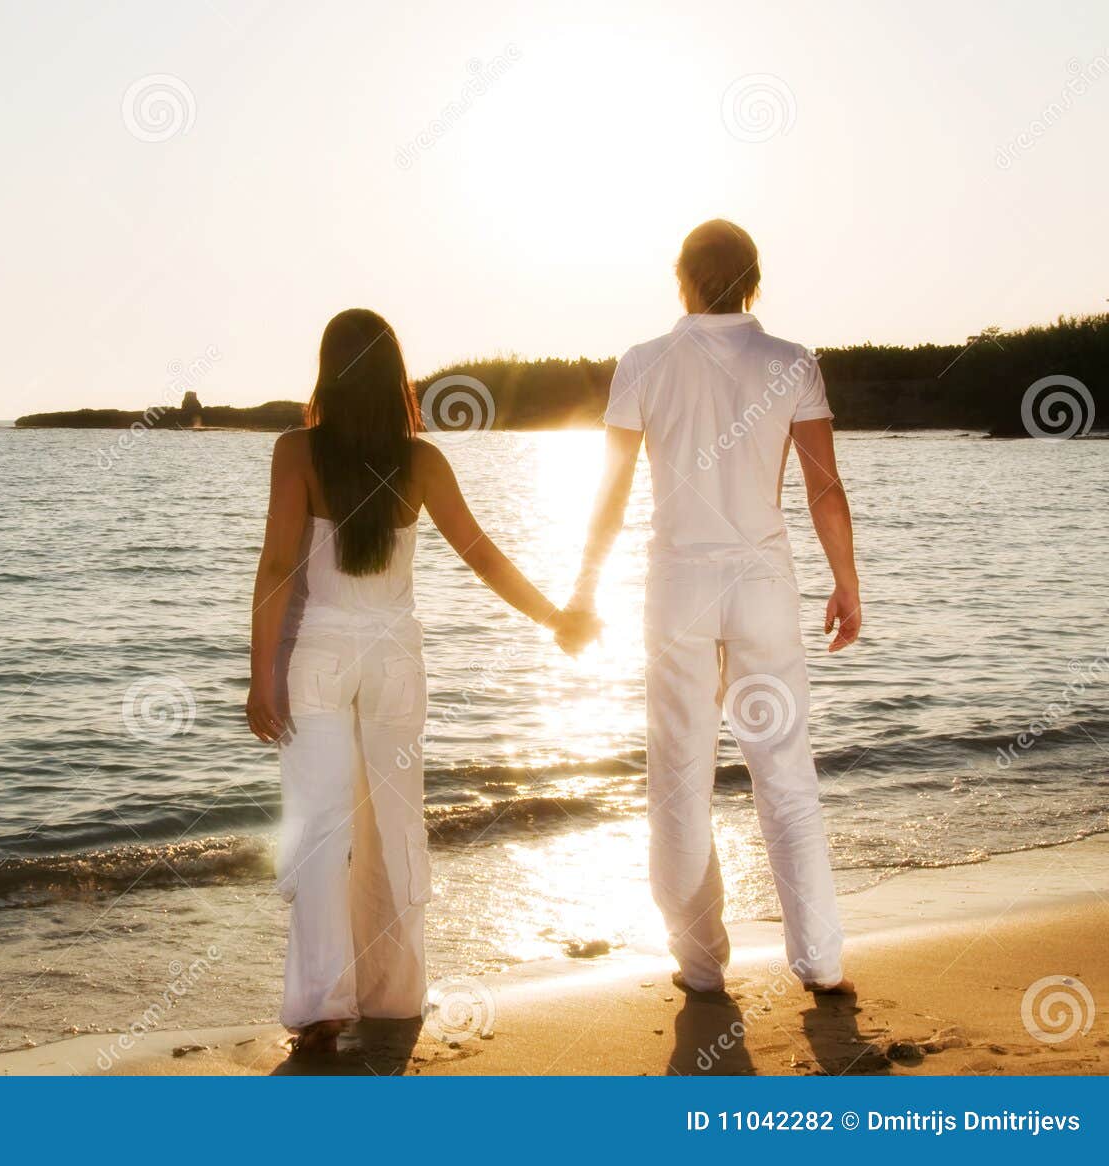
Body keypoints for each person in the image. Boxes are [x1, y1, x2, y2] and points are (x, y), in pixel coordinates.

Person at [246, 308, 584, 1052]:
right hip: (397, 658)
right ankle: (395, 995)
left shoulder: (295, 451)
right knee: (393, 827)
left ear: (327, 373)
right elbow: (484, 557)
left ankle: (322, 1006)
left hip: (324, 655)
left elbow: (276, 568)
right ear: (396, 375)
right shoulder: (423, 460)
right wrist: (555, 618)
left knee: (320, 829)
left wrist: (259, 676)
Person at [560, 220, 861, 996]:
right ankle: (820, 960)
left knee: (679, 780)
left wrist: (586, 588)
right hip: (762, 588)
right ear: (754, 279)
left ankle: (699, 966)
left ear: (683, 278)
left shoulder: (643, 364)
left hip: (678, 594)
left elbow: (614, 490)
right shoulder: (791, 362)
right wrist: (847, 582)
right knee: (785, 774)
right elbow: (824, 486)